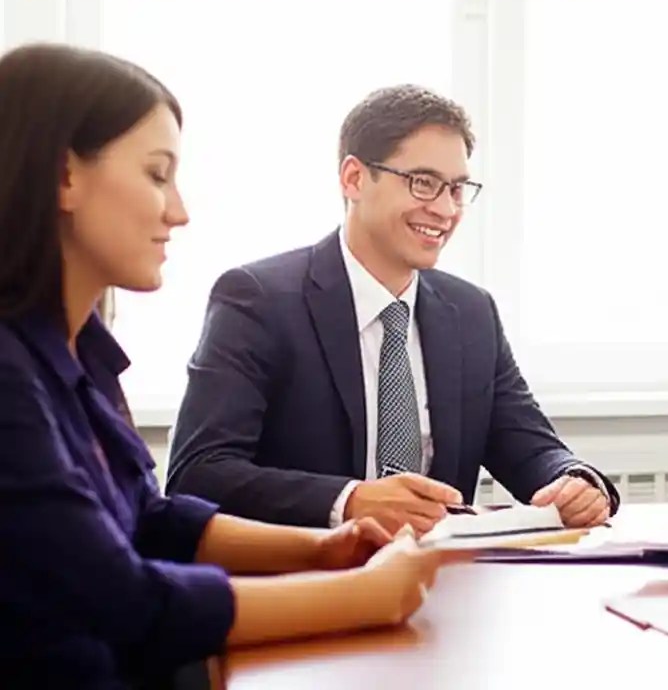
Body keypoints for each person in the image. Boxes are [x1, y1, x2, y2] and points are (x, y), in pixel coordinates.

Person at [0, 43, 466, 689]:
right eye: (157, 174)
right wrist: (365, 596)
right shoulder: (9, 375)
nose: (179, 211)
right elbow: (127, 601)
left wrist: (321, 548)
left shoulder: (83, 358)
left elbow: (149, 516)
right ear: (63, 176)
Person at [166, 84, 618, 535]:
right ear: (354, 178)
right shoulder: (258, 299)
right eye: (423, 183)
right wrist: (351, 502)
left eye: (457, 189)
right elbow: (198, 473)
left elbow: (530, 448)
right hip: (303, 581)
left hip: (437, 581)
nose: (444, 209)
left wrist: (574, 481)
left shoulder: (471, 312)